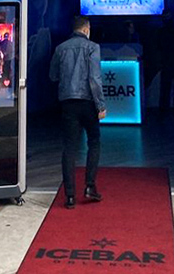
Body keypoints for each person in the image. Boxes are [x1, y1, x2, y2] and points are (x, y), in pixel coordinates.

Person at [49, 15, 107, 208]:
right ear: (86, 28)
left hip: (68, 103)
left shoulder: (60, 48)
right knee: (95, 142)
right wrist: (101, 105)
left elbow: (53, 75)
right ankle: (90, 185)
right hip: (88, 103)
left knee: (69, 149)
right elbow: (94, 79)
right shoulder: (93, 48)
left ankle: (70, 196)